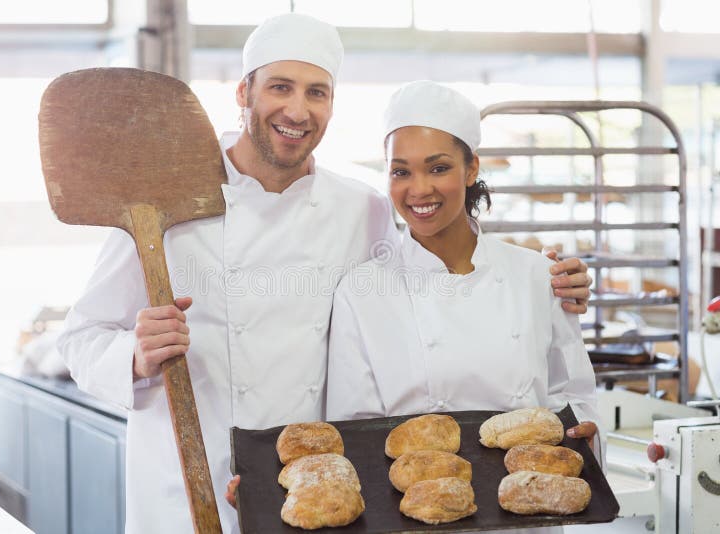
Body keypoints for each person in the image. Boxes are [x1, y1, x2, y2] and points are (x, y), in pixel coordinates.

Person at [58, 14, 592, 534]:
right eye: (280, 87)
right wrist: (134, 352)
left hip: (308, 489)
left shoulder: (362, 208)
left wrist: (541, 275)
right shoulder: (165, 202)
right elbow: (81, 338)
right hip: (183, 490)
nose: (298, 109)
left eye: (317, 92)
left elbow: (434, 274)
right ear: (243, 93)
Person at [326, 81, 603, 533]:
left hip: (527, 512)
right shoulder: (361, 292)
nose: (419, 190)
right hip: (414, 517)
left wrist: (586, 436)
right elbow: (354, 432)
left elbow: (576, 398)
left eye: (438, 168)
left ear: (471, 168)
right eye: (400, 172)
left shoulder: (537, 275)